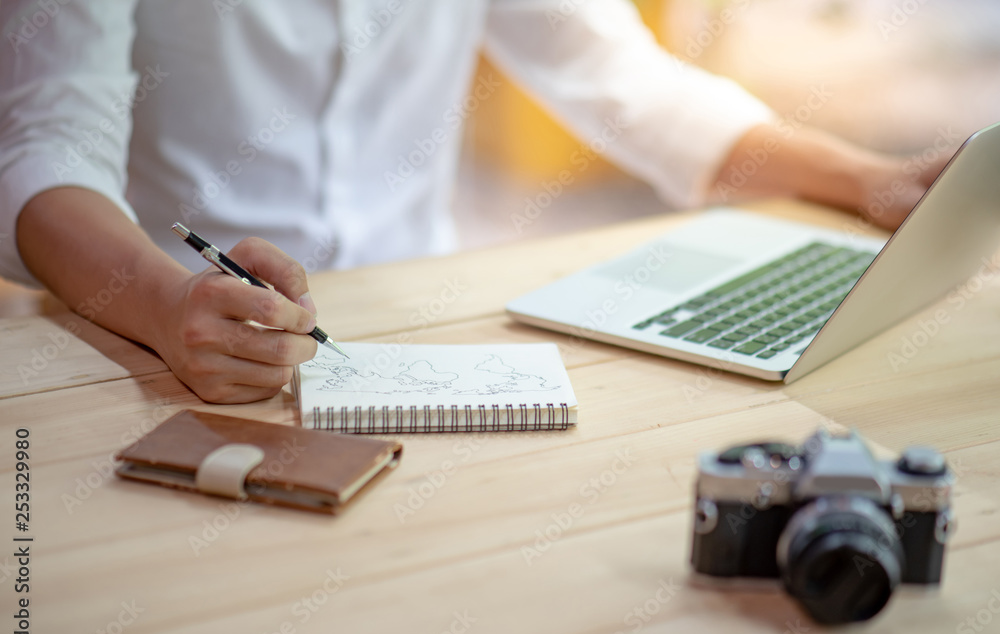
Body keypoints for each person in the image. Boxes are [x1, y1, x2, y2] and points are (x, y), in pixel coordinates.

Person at [0, 1, 946, 404]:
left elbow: (630, 86)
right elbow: (45, 149)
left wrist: (870, 180)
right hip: (163, 335)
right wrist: (167, 308)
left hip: (419, 332)